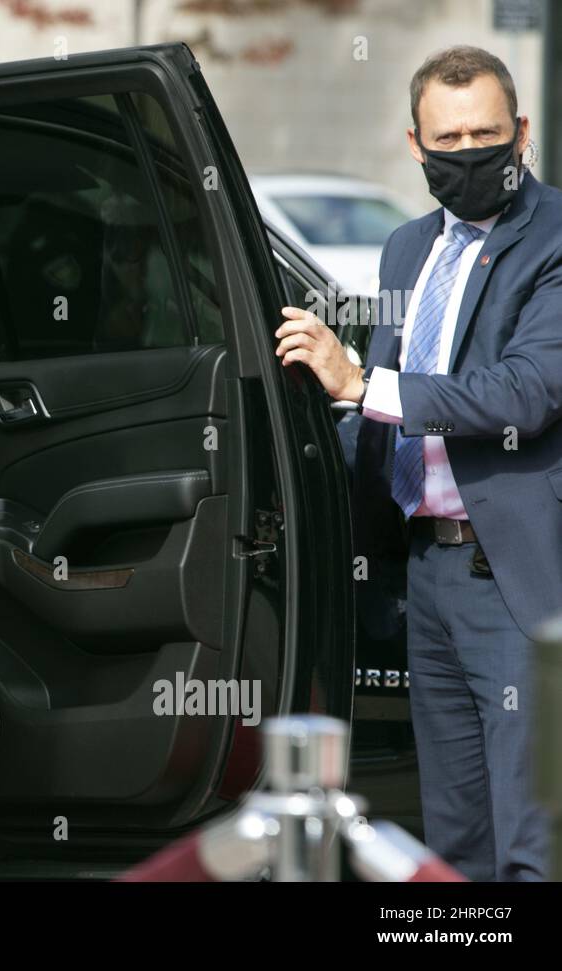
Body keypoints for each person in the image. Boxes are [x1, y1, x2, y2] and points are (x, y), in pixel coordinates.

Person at [273, 46, 556, 880]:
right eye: (449, 140)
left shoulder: (555, 241)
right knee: (453, 836)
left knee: (531, 839)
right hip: (424, 571)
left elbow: (526, 390)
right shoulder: (405, 249)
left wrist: (363, 380)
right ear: (414, 144)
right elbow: (379, 412)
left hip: (514, 574)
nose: (468, 156)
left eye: (487, 136)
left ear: (523, 134)